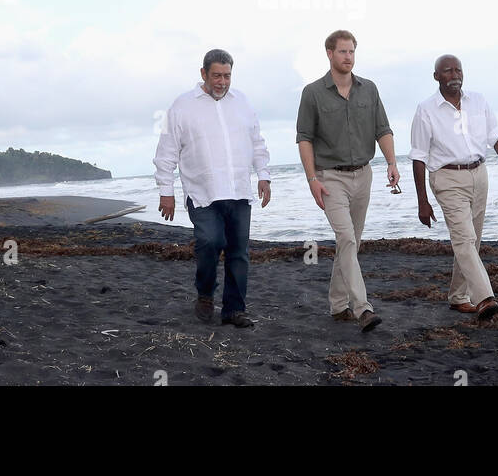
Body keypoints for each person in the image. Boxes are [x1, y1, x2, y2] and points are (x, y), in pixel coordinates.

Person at [154, 49, 272, 328]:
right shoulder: (182, 106)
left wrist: (264, 176)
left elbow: (257, 142)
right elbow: (167, 151)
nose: (222, 81)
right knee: (209, 242)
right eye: (216, 75)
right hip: (203, 192)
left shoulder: (242, 102)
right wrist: (166, 191)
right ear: (203, 73)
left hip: (239, 191)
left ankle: (234, 310)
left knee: (239, 253)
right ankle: (205, 293)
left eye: (227, 75)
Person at [296, 30, 398, 333]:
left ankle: (338, 304)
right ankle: (362, 308)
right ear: (329, 53)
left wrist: (392, 163)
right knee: (348, 239)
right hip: (330, 178)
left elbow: (383, 129)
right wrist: (312, 179)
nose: (348, 57)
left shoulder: (369, 89)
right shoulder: (312, 92)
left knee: (350, 242)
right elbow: (304, 139)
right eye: (342, 52)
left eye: (352, 52)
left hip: (363, 174)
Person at [410, 55, 498, 320]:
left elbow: (497, 136)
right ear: (437, 76)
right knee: (464, 239)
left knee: (472, 241)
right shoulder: (426, 110)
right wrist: (422, 201)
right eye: (447, 71)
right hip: (447, 179)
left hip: (479, 175)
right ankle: (485, 298)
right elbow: (418, 156)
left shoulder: (479, 101)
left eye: (458, 69)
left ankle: (458, 296)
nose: (454, 74)